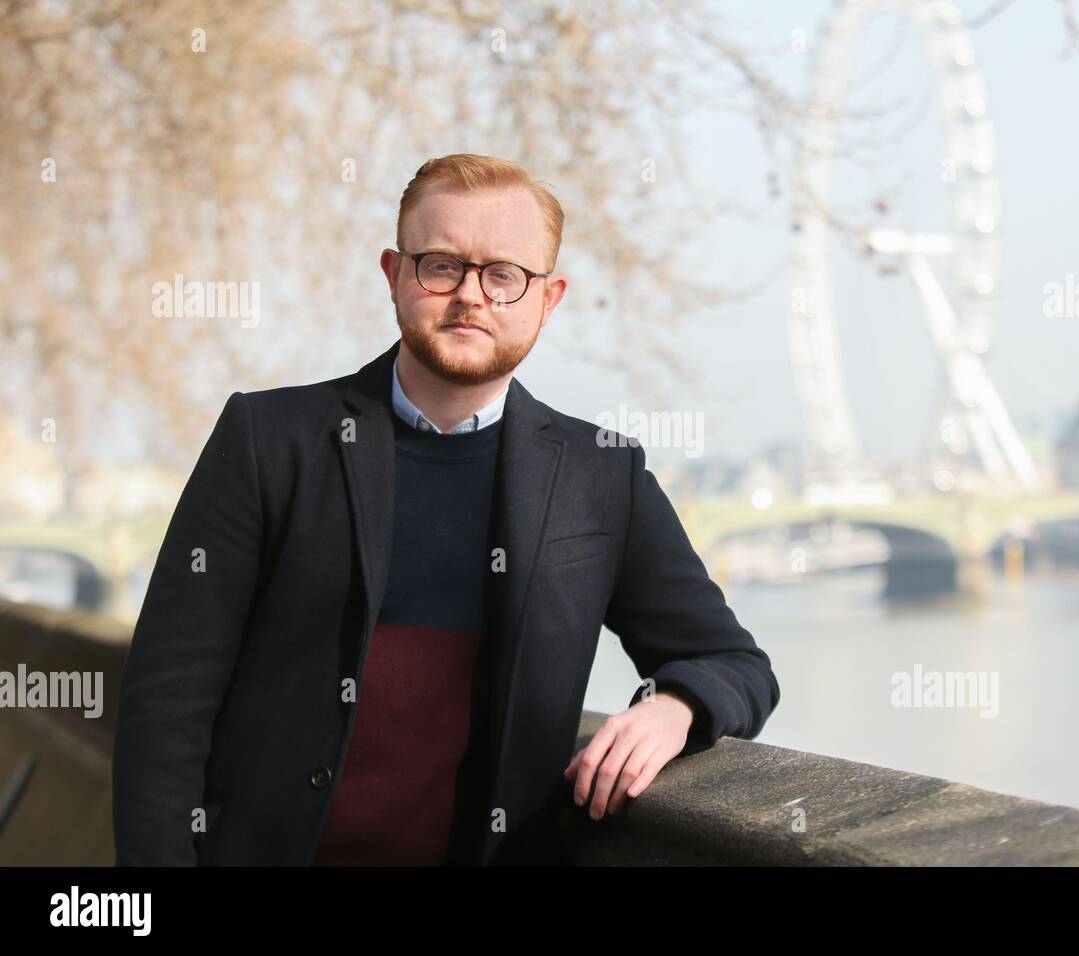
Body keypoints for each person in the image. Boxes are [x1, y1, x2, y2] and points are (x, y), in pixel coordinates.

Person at [111, 153, 780, 866]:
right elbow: (167, 703)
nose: (472, 296)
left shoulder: (602, 476)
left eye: (504, 274)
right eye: (441, 266)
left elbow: (735, 662)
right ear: (394, 274)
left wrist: (673, 709)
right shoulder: (268, 441)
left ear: (548, 299)